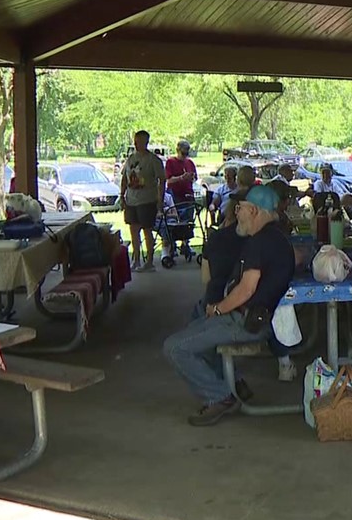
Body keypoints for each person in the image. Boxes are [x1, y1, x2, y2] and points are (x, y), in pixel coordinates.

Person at [164, 185, 296, 425]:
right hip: (258, 320)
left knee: (175, 348)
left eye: (240, 208)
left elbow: (246, 290)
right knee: (195, 334)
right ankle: (233, 382)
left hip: (245, 321)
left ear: (254, 210)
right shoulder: (277, 238)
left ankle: (220, 397)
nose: (237, 214)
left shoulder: (260, 243)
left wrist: (217, 309)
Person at [120, 129, 166, 272]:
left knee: (147, 231)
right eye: (135, 140)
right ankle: (136, 260)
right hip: (131, 200)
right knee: (133, 230)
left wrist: (160, 199)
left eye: (138, 141)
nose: (135, 143)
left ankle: (150, 261)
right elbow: (124, 178)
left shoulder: (153, 160)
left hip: (147, 200)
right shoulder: (130, 159)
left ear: (145, 142)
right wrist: (122, 196)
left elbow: (162, 180)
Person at [164, 140, 198, 212]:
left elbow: (195, 178)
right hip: (175, 194)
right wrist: (181, 177)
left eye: (187, 152)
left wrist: (191, 177)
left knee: (189, 218)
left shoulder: (190, 162)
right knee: (178, 218)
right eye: (183, 153)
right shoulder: (170, 162)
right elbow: (168, 180)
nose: (185, 155)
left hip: (188, 194)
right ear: (178, 150)